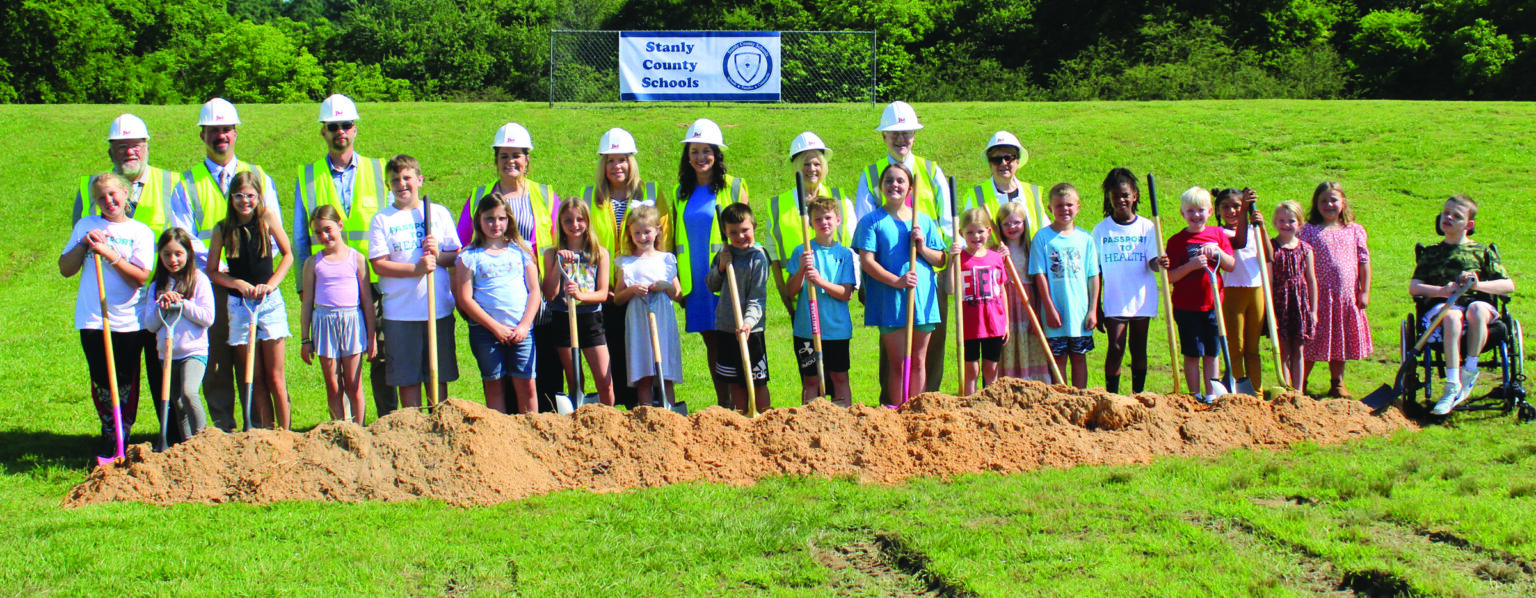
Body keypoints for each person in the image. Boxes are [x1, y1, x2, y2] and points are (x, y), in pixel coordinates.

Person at [73, 114, 195, 441]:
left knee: (165, 376)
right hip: (114, 308)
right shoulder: (90, 188)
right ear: (111, 151)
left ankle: (174, 443)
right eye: (122, 147)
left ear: (146, 147)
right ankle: (117, 439)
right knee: (116, 377)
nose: (130, 152)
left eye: (136, 146)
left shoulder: (172, 183)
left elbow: (186, 241)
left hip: (161, 297)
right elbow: (78, 242)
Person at [182, 98, 283, 432]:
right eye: (213, 131)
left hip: (254, 287)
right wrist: (221, 261)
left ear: (235, 133)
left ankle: (258, 429)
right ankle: (223, 430)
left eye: (225, 130)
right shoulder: (187, 182)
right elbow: (182, 235)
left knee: (256, 364)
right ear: (203, 136)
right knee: (218, 363)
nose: (220, 136)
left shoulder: (259, 177)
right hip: (209, 284)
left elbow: (273, 229)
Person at [291, 94, 395, 418]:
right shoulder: (308, 176)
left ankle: (384, 424)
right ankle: (343, 426)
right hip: (328, 286)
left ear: (355, 129)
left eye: (346, 125)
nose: (341, 132)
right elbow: (299, 237)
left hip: (374, 282)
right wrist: (302, 287)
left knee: (379, 358)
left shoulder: (378, 171)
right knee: (335, 369)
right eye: (333, 126)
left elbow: (390, 222)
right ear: (323, 131)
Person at [455, 123, 563, 413]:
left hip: (539, 298)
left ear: (527, 159)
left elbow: (562, 238)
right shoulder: (480, 197)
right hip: (494, 303)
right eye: (504, 155)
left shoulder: (544, 194)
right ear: (496, 160)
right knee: (500, 379)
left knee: (541, 373)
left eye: (517, 155)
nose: (510, 161)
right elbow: (461, 245)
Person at [854, 101, 954, 395]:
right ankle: (892, 406)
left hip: (926, 274)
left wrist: (941, 265)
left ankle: (925, 402)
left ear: (915, 136)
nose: (901, 139)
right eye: (894, 133)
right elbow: (863, 226)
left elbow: (946, 224)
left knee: (929, 350)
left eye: (907, 133)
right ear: (883, 136)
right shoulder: (872, 174)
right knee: (894, 354)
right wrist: (867, 280)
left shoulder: (931, 170)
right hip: (887, 279)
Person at [60, 173, 155, 458]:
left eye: (114, 194)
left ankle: (123, 430)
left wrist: (110, 254)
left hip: (127, 318)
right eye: (102, 197)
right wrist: (84, 245)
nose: (109, 201)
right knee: (101, 376)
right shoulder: (86, 225)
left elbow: (140, 277)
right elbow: (65, 268)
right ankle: (109, 432)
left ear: (126, 195)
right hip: (93, 317)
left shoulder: (141, 232)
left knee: (125, 377)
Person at [580, 128, 665, 411]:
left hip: (643, 286)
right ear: (602, 164)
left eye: (623, 159)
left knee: (646, 348)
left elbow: (666, 238)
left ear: (632, 162)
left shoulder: (651, 193)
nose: (617, 166)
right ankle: (622, 410)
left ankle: (650, 407)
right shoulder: (589, 196)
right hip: (605, 288)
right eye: (610, 160)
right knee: (615, 349)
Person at [368, 155, 460, 409]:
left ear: (419, 180)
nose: (402, 184)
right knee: (407, 380)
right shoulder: (383, 219)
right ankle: (414, 435)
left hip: (436, 310)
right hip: (400, 314)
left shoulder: (437, 213)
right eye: (395, 180)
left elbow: (456, 257)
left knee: (437, 376)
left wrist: (438, 254)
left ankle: (438, 426)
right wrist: (416, 268)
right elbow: (378, 264)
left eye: (407, 178)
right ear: (389, 185)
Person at [205, 172, 294, 430]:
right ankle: (264, 431)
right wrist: (236, 283)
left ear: (258, 197)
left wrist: (272, 284)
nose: (245, 201)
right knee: (253, 378)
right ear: (231, 198)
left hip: (269, 303)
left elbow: (288, 254)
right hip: (240, 306)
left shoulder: (267, 218)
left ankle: (285, 433)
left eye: (251, 196)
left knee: (275, 376)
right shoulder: (223, 228)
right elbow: (211, 270)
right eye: (239, 196)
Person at [1411, 195, 1514, 415]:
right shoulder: (1431, 253)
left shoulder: (1482, 251)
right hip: (1444, 306)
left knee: (1475, 309)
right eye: (1446, 212)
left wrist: (1478, 285)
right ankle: (1452, 383)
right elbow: (1415, 287)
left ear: (1469, 224)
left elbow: (1508, 285)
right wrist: (1443, 290)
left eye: (1456, 216)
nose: (1448, 217)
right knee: (1451, 316)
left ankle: (1469, 370)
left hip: (1478, 306)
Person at [673, 118, 748, 408]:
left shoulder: (734, 186)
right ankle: (722, 405)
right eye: (694, 151)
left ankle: (741, 402)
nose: (700, 157)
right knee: (712, 343)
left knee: (731, 339)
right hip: (696, 281)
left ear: (717, 155)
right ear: (687, 156)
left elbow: (746, 232)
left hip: (726, 278)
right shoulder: (682, 193)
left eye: (706, 151)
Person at [455, 193, 542, 415]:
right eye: (489, 219)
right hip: (486, 333)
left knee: (527, 385)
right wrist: (495, 327)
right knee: (494, 385)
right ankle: (500, 437)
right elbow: (465, 299)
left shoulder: (521, 251)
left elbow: (534, 291)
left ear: (509, 220)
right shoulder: (469, 256)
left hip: (521, 330)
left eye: (501, 218)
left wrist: (524, 326)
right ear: (479, 220)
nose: (496, 224)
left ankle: (531, 433)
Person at [766, 132, 857, 318]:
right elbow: (774, 256)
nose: (812, 169)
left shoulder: (840, 201)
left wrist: (851, 288)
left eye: (817, 163)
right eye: (806, 164)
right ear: (796, 166)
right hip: (798, 297)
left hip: (833, 295)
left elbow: (853, 247)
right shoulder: (777, 206)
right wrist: (787, 299)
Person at [300, 205, 376, 424]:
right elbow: (307, 303)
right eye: (317, 233)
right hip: (324, 323)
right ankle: (338, 428)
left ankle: (358, 429)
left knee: (353, 383)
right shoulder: (313, 263)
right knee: (333, 385)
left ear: (339, 225)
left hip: (351, 321)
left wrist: (371, 337)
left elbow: (367, 302)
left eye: (328, 229)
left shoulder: (357, 259)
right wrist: (306, 339)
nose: (324, 236)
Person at [1091, 168, 1163, 394]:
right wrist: (1097, 308)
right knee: (1115, 347)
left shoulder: (1148, 227)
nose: (1120, 200)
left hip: (1141, 297)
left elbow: (1152, 262)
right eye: (1115, 196)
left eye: (1125, 195)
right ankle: (1112, 395)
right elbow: (1096, 271)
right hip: (1115, 298)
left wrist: (1160, 263)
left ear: (1135, 195)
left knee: (1139, 348)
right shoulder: (1101, 230)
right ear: (1109, 198)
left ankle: (1138, 395)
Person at [139, 227, 214, 442]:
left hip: (194, 351)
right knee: (176, 401)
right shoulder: (156, 286)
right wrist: (162, 307)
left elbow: (208, 317)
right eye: (167, 254)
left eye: (178, 254)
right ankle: (186, 444)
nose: (173, 259)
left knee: (189, 392)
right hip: (167, 354)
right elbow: (151, 325)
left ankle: (204, 440)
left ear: (188, 254)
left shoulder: (199, 280)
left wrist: (182, 304)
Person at [1298, 181, 1373, 397]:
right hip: (1318, 298)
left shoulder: (1354, 230)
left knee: (1341, 339)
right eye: (1324, 201)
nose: (1329, 204)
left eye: (1333, 200)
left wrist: (1364, 291)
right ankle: (1300, 381)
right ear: (1316, 204)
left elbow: (1364, 261)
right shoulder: (1308, 231)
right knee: (1312, 341)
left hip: (1345, 296)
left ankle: (1337, 382)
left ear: (1343, 202)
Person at [1164, 186, 1235, 402]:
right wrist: (1192, 265)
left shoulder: (1218, 235)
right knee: (1192, 353)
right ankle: (1194, 394)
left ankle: (1211, 394)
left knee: (1212, 353)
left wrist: (1218, 252)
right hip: (1187, 307)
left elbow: (1230, 265)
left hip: (1213, 306)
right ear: (1182, 213)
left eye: (1201, 210)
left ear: (1210, 212)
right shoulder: (1176, 242)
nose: (1196, 215)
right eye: (1191, 211)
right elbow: (1170, 277)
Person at [784, 197, 857, 406]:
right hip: (807, 329)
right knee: (811, 379)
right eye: (818, 219)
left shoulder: (844, 254)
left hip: (836, 330)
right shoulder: (802, 251)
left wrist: (819, 281)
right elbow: (791, 291)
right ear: (810, 224)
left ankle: (843, 419)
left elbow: (846, 293)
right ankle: (809, 423)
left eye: (828, 218)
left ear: (838, 220)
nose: (823, 222)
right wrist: (801, 270)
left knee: (839, 377)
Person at [543, 200, 615, 407]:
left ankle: (610, 421)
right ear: (560, 224)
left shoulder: (599, 253)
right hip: (562, 319)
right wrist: (559, 265)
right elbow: (549, 294)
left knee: (605, 380)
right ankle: (577, 418)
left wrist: (581, 295)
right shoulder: (551, 253)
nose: (575, 224)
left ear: (587, 221)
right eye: (568, 220)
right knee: (574, 379)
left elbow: (602, 294)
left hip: (591, 319)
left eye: (580, 219)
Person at [1030, 184, 1101, 390]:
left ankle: (1080, 398)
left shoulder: (1086, 239)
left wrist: (1092, 310)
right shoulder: (1042, 238)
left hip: (1079, 313)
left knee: (1079, 357)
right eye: (1059, 205)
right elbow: (1040, 275)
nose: (1065, 210)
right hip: (1055, 313)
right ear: (1050, 209)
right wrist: (1049, 308)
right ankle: (1061, 398)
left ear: (1078, 207)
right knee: (1058, 358)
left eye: (1069, 205)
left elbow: (1093, 276)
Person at [613, 205, 684, 408]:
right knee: (643, 372)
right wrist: (632, 290)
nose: (643, 237)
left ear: (657, 230)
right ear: (629, 233)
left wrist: (665, 286)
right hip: (639, 320)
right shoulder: (626, 263)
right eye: (637, 233)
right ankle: (646, 413)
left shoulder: (666, 260)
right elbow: (617, 298)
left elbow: (678, 295)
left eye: (647, 232)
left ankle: (670, 413)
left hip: (662, 318)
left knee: (665, 372)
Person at [707, 203, 772, 414]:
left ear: (753, 226)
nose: (740, 236)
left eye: (745, 230)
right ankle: (740, 422)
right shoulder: (724, 254)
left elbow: (757, 298)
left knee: (758, 381)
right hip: (727, 328)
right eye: (733, 232)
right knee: (734, 382)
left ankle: (764, 419)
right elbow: (711, 285)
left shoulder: (759, 257)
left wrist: (747, 323)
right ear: (725, 232)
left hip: (751, 331)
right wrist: (721, 267)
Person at [952, 208, 1013, 395]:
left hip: (994, 323)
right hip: (970, 325)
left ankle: (990, 404)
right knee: (971, 370)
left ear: (988, 231)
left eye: (980, 232)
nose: (976, 236)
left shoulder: (996, 258)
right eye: (970, 232)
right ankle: (970, 404)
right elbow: (950, 289)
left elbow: (1002, 290)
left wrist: (1007, 323)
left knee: (991, 369)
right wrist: (952, 259)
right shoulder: (960, 258)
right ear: (961, 234)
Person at [1214, 187, 1267, 391]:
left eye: (1236, 206)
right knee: (1236, 347)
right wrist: (1245, 210)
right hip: (1232, 291)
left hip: (1256, 290)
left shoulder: (1253, 230)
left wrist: (1261, 227)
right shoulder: (1218, 233)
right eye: (1225, 207)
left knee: (1252, 348)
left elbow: (1269, 255)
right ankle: (1237, 391)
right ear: (1217, 211)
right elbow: (1239, 242)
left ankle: (1257, 391)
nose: (1232, 211)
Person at [994, 202, 1053, 382]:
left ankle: (1034, 382)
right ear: (999, 226)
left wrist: (1036, 309)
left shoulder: (1031, 248)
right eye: (1007, 224)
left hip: (1027, 301)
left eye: (1017, 222)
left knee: (1031, 341)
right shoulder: (996, 250)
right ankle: (1009, 381)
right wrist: (998, 256)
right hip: (1006, 302)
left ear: (1024, 223)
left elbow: (1036, 282)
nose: (1012, 227)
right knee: (1009, 343)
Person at [957, 131, 1049, 237]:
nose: (1003, 163)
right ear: (990, 164)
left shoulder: (1032, 192)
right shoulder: (977, 195)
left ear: (1017, 162)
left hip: (1031, 253)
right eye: (996, 160)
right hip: (993, 253)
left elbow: (1045, 230)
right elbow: (965, 235)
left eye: (1008, 158)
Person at [1269, 200, 1317, 392]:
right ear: (1275, 222)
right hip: (1280, 303)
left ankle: (1298, 391)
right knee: (1283, 349)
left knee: (1298, 349)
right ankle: (1285, 388)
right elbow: (1270, 280)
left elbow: (1311, 280)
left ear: (1300, 223)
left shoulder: (1305, 248)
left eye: (1291, 220)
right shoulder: (1271, 247)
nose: (1286, 225)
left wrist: (1313, 310)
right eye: (1281, 220)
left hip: (1299, 303)